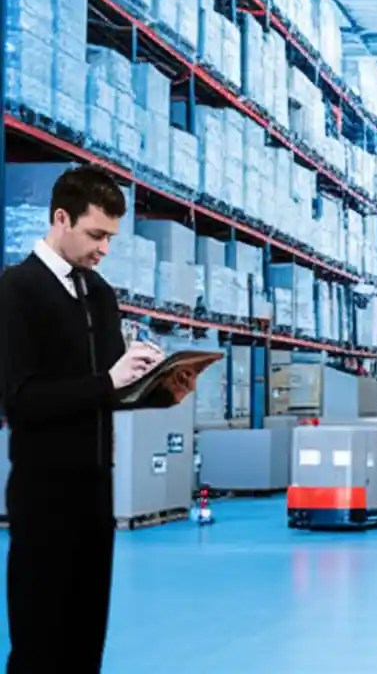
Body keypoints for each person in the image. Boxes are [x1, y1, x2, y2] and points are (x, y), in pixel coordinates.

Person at [0, 164, 197, 673]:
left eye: (111, 236)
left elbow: (112, 392)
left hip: (96, 495)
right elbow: (21, 401)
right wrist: (108, 382)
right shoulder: (15, 291)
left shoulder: (100, 295)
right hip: (43, 497)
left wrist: (161, 391)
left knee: (86, 642)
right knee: (40, 643)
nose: (104, 248)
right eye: (96, 234)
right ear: (60, 218)